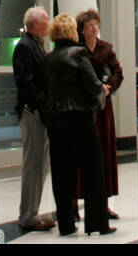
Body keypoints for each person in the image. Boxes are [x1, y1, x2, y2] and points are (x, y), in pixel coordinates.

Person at [41, 13, 113, 236]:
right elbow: (92, 85)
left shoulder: (48, 58)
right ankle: (98, 223)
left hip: (55, 121)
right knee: (93, 170)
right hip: (80, 118)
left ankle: (65, 223)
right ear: (71, 31)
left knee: (62, 172)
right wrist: (102, 92)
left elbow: (45, 90)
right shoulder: (79, 53)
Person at [76, 8, 123, 221]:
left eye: (96, 24)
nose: (94, 28)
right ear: (82, 29)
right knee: (80, 155)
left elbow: (118, 73)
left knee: (104, 153)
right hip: (82, 107)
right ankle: (74, 203)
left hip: (103, 108)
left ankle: (103, 203)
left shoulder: (106, 49)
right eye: (90, 25)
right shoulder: (76, 49)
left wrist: (108, 88)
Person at [12, 6, 55, 232]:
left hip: (39, 112)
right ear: (35, 24)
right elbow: (25, 82)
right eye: (46, 20)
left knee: (40, 164)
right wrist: (40, 106)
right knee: (33, 165)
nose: (49, 23)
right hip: (33, 113)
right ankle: (28, 215)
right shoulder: (25, 47)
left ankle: (33, 212)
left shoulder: (37, 45)